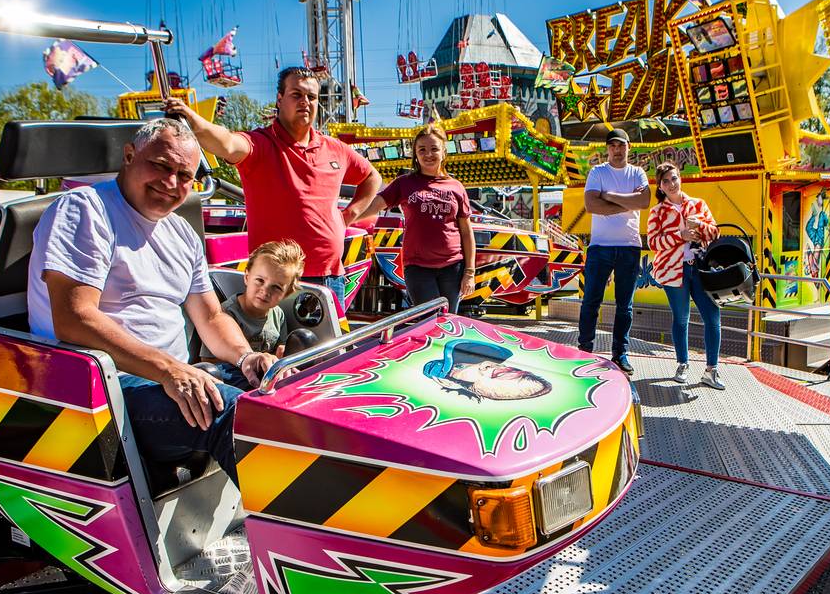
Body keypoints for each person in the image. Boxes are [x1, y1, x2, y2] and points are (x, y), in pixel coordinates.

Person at [27, 118, 276, 485]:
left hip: (169, 377)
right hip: (103, 390)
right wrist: (169, 370)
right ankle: (290, 539)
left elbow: (210, 316)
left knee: (281, 392)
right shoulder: (85, 210)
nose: (171, 183)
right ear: (129, 155)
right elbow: (75, 319)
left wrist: (247, 357)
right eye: (160, 166)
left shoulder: (182, 234)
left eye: (184, 175)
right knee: (241, 418)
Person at [163, 67, 382, 306]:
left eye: (311, 97)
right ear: (280, 99)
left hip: (329, 276)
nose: (305, 102)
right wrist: (193, 121)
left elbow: (372, 177)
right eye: (296, 95)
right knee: (271, 343)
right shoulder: (260, 144)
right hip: (274, 282)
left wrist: (349, 215)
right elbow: (226, 143)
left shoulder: (335, 148)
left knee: (331, 345)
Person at [350, 124, 476, 312]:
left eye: (434, 149)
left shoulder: (456, 187)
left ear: (444, 152)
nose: (428, 154)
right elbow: (374, 205)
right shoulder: (404, 183)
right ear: (415, 154)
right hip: (418, 267)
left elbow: (466, 232)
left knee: (448, 321)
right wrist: (343, 218)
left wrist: (470, 272)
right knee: (428, 319)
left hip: (453, 268)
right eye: (422, 150)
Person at [577, 128, 651, 375]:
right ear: (607, 149)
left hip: (630, 247)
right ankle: (584, 350)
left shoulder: (637, 173)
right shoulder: (597, 172)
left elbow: (643, 202)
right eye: (613, 146)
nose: (617, 150)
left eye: (621, 145)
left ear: (629, 147)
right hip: (600, 248)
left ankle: (620, 353)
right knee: (591, 301)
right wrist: (626, 201)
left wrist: (608, 197)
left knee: (625, 306)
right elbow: (591, 205)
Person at [646, 162, 725, 390]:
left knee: (712, 317)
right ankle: (682, 363)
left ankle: (711, 370)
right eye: (666, 181)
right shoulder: (657, 212)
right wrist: (679, 234)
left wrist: (699, 226)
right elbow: (653, 242)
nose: (671, 184)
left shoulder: (698, 204)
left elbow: (715, 232)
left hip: (701, 269)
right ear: (660, 186)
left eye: (674, 178)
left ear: (680, 178)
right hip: (673, 270)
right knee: (681, 319)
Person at [199, 241, 305, 386]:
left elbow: (278, 350)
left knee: (304, 338)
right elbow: (208, 362)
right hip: (232, 377)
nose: (265, 291)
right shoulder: (226, 314)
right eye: (260, 280)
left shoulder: (278, 315)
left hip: (265, 375)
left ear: (286, 294)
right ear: (247, 277)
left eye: (276, 287)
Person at [423, 339, 551, 401]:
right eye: (507, 370)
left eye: (494, 375)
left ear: (450, 383)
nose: (487, 366)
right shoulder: (487, 352)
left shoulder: (445, 374)